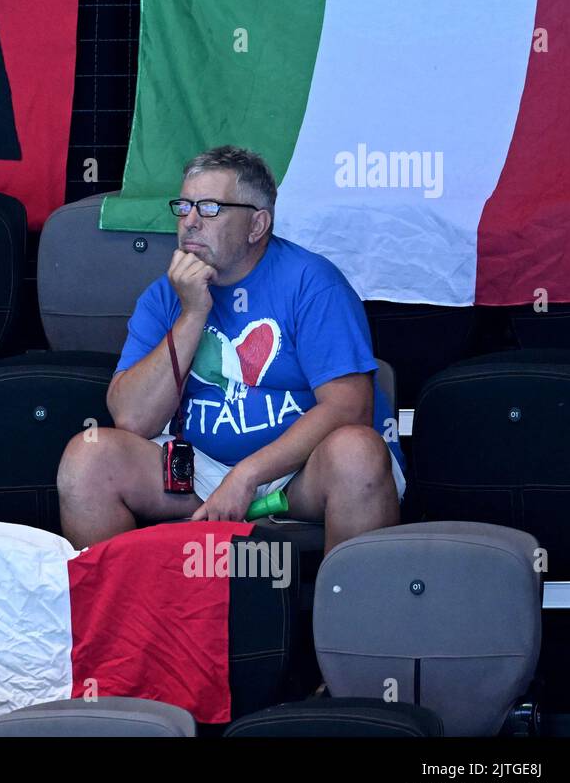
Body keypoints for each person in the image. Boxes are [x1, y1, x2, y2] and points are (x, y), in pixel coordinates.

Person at [57, 145, 405, 554]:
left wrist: (248, 475)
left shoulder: (313, 283)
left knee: (357, 454)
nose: (189, 222)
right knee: (88, 457)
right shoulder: (164, 296)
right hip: (197, 469)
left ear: (257, 225)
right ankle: (131, 615)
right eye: (184, 207)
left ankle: (349, 614)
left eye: (209, 208)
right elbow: (132, 419)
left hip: (299, 473)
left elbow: (350, 408)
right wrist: (191, 313)